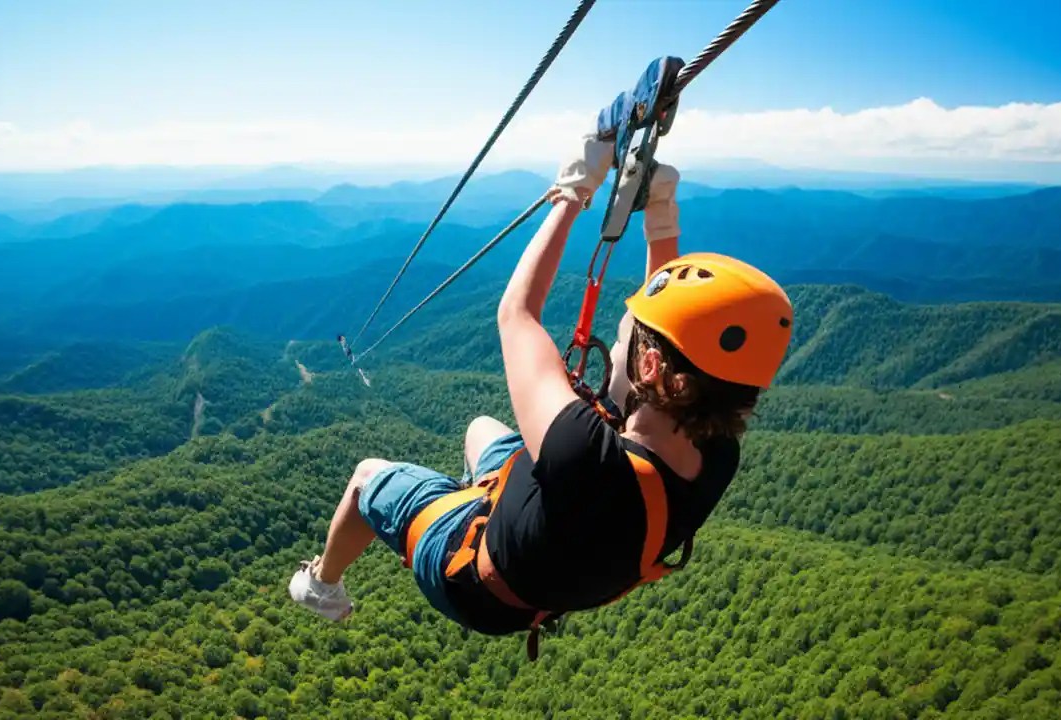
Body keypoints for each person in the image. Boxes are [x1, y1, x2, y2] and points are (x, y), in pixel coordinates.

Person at [289, 133, 794, 640]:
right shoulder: (712, 447)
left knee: (365, 477)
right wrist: (660, 212)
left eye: (626, 337)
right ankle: (506, 513)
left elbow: (516, 314)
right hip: (555, 548)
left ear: (651, 368)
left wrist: (570, 195)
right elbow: (652, 375)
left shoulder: (584, 455)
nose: (619, 341)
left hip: (471, 580)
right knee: (479, 428)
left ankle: (322, 587)